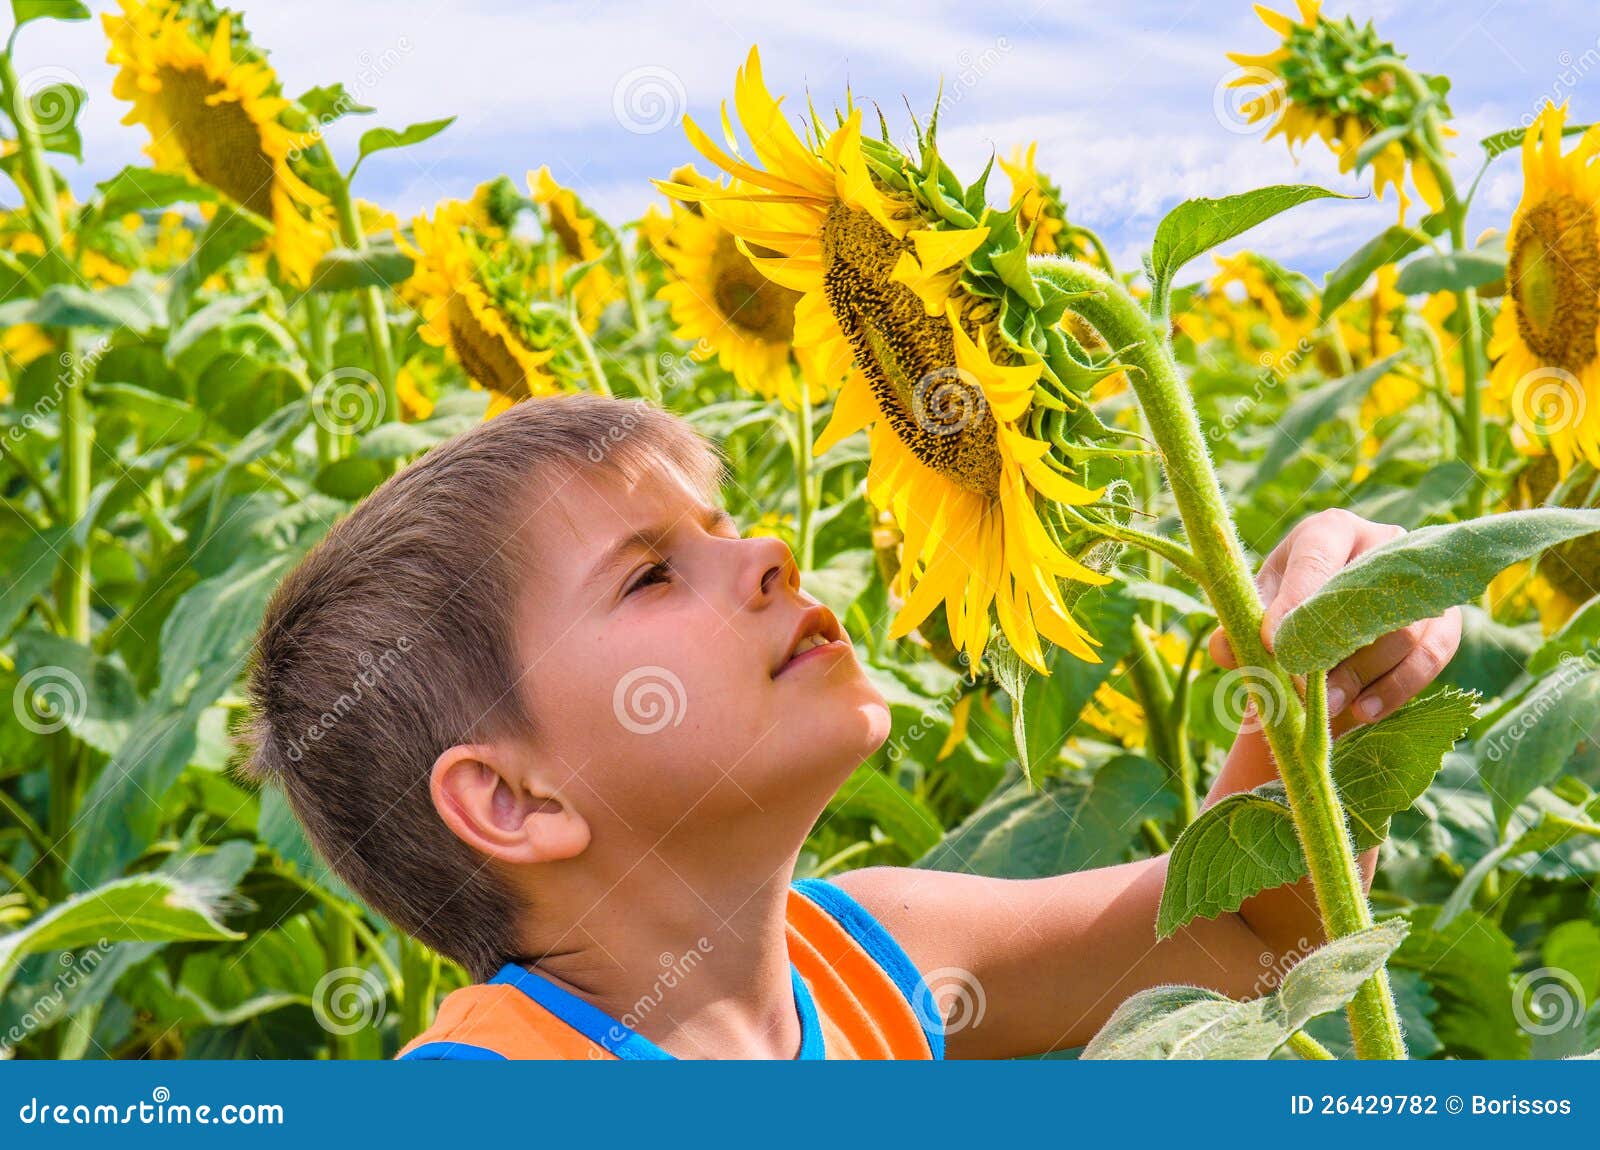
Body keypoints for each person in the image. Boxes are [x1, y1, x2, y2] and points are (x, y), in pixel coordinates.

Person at [239, 393, 1461, 1060]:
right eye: (651, 573)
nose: (765, 553)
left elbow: (1254, 937)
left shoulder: (872, 954)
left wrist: (1317, 679)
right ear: (516, 799)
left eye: (725, 522)